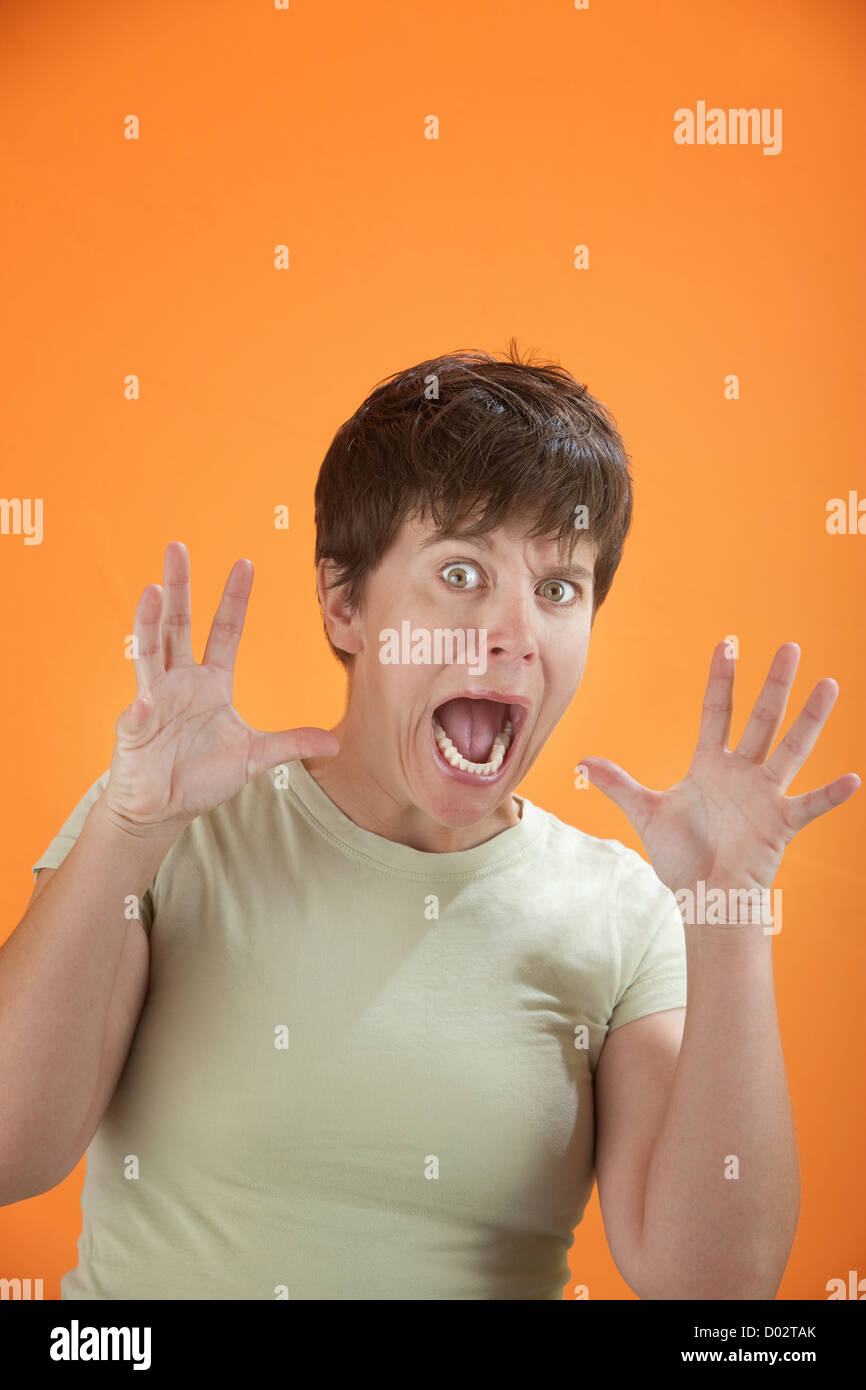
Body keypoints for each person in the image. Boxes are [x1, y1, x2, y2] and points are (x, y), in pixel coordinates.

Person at [3, 343, 854, 1300]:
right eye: (460, 574)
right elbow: (10, 1152)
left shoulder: (626, 911)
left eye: (558, 588)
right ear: (343, 603)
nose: (515, 632)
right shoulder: (170, 824)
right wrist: (127, 828)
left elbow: (720, 1296)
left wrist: (729, 922)